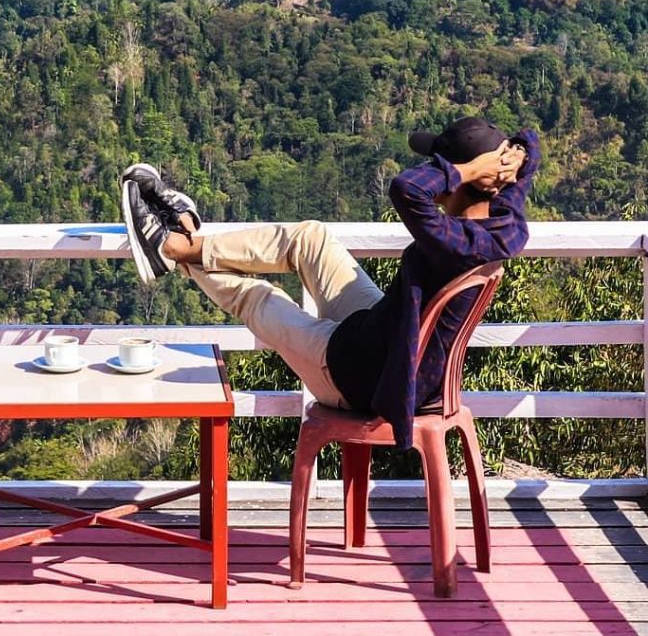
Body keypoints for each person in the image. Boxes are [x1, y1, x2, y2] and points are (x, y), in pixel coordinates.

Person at [121, 117, 541, 449]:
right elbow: (531, 140)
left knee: (259, 298)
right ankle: (184, 234)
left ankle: (173, 247)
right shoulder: (503, 224)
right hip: (377, 334)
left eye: (441, 166)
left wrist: (465, 168)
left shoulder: (452, 242)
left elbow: (407, 189)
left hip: (357, 374)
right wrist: (513, 158)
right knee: (310, 237)